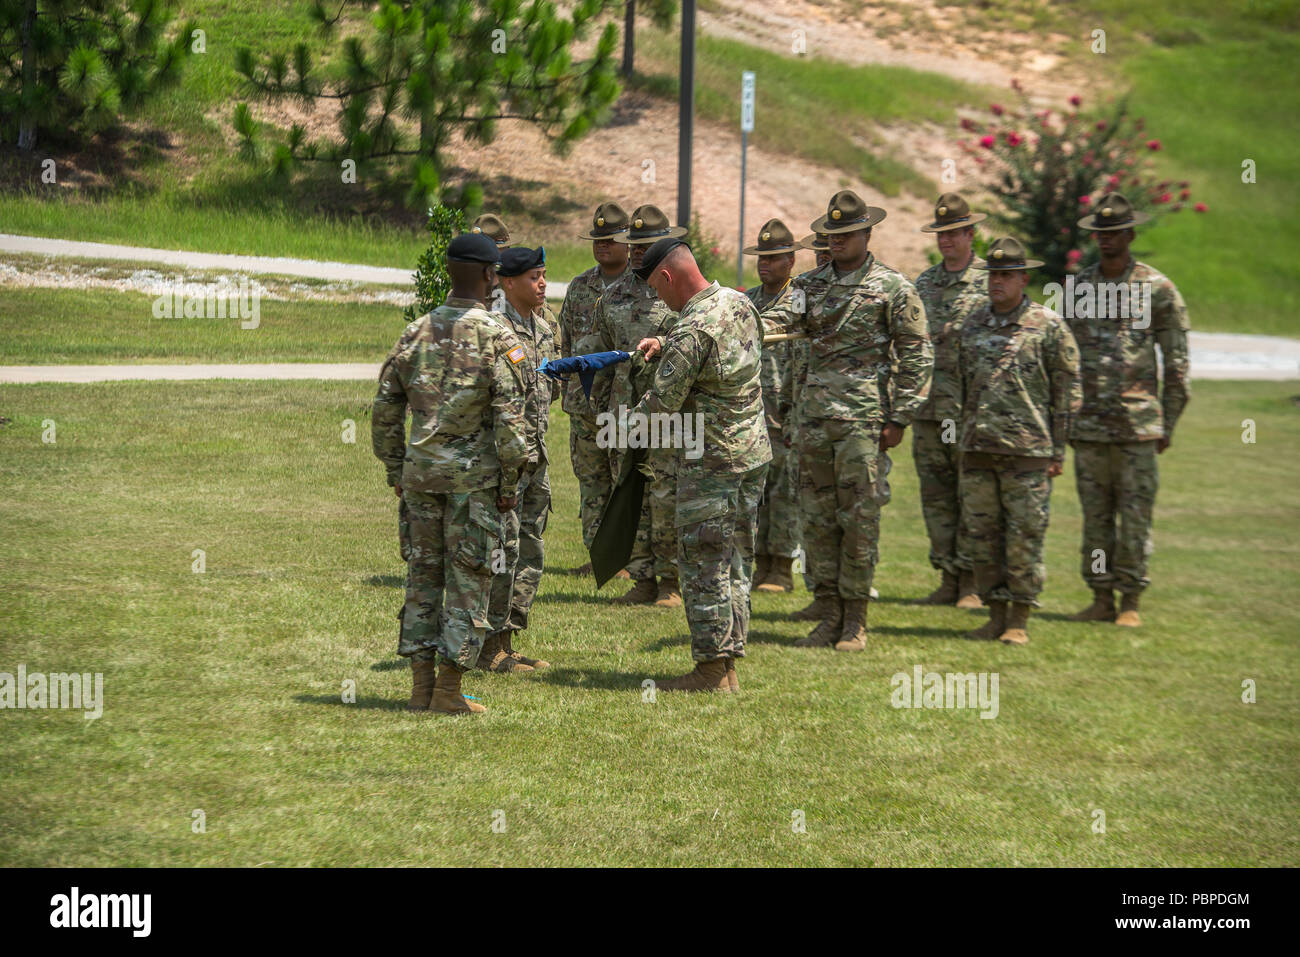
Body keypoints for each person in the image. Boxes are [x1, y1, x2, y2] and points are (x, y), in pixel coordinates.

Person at [768, 190, 933, 651]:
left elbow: (918, 354)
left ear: (866, 233)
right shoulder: (808, 285)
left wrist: (900, 416)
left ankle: (856, 621)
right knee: (818, 522)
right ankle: (828, 613)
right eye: (831, 234)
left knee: (859, 520)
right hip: (812, 424)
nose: (835, 240)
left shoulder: (894, 287)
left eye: (844, 234)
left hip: (863, 425)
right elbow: (776, 322)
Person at [371, 233, 529, 714]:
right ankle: (446, 691)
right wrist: (508, 485)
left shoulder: (414, 330)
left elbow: (384, 407)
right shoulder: (499, 336)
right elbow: (512, 423)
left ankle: (420, 688)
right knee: (468, 580)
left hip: (420, 481)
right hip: (472, 487)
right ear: (489, 276)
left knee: (422, 579)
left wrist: (397, 467)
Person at [632, 238, 771, 691]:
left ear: (668, 277)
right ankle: (728, 663)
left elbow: (660, 407)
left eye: (657, 288)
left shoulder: (693, 331)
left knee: (703, 563)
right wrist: (666, 342)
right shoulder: (739, 302)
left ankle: (711, 669)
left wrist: (623, 422)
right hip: (752, 453)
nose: (657, 299)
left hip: (711, 462)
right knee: (736, 560)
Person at [1066, 192, 1190, 627]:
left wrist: (1167, 424)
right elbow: (1064, 358)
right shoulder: (1078, 287)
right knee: (1096, 520)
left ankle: (1131, 600)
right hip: (1089, 428)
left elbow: (1176, 365)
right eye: (1100, 233)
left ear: (1131, 234)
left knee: (1135, 518)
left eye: (1114, 231)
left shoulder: (1158, 289)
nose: (1106, 239)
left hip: (1138, 426)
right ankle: (1100, 597)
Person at [957, 238, 1082, 645]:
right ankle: (994, 614)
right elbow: (961, 381)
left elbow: (1068, 391)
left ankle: (1019, 619)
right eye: (993, 275)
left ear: (1023, 278)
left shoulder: (1048, 325)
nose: (998, 283)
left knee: (1024, 537)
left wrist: (1058, 449)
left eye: (1007, 275)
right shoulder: (973, 324)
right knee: (983, 537)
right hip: (978, 449)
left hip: (1028, 452)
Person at [591, 204, 684, 607]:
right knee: (632, 493)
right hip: (623, 414)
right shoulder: (611, 297)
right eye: (633, 245)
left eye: (646, 245)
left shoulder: (681, 297)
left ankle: (671, 583)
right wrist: (600, 410)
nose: (637, 253)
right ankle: (643, 578)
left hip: (671, 416)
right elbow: (598, 359)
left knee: (667, 496)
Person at [480, 245, 559, 672]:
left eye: (544, 275)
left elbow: (547, 391)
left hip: (537, 459)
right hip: (504, 461)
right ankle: (488, 645)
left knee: (528, 548)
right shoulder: (493, 329)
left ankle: (508, 639)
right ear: (508, 283)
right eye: (534, 277)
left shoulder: (543, 329)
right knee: (501, 550)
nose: (542, 283)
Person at [911, 193, 989, 608]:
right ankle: (947, 576)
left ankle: (973, 581)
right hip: (929, 410)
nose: (946, 240)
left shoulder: (989, 282)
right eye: (940, 233)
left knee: (972, 495)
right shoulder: (924, 283)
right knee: (936, 497)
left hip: (970, 411)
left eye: (953, 233)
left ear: (970, 233)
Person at [557, 203, 631, 569]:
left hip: (626, 404)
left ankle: (630, 556)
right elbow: (567, 341)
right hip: (585, 404)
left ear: (628, 242)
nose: (603, 245)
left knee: (624, 481)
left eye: (611, 239)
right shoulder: (580, 286)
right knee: (591, 480)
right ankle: (597, 555)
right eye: (597, 239)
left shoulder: (644, 285)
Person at [742, 218, 801, 593]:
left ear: (791, 260)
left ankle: (781, 567)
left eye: (774, 257)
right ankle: (760, 562)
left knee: (785, 491)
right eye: (762, 256)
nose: (765, 263)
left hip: (787, 409)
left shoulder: (801, 297)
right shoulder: (748, 298)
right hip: (751, 409)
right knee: (757, 490)